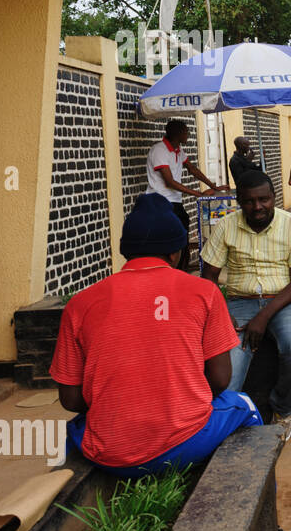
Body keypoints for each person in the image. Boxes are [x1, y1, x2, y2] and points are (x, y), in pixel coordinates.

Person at [50, 193, 261, 477]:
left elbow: (71, 400)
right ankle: (260, 512)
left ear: (126, 252)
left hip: (109, 454)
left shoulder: (79, 304)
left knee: (77, 428)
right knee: (245, 406)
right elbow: (220, 380)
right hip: (184, 443)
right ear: (176, 252)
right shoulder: (203, 293)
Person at [199, 170, 291, 438]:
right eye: (250, 201)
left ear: (273, 197)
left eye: (264, 199)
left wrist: (263, 317)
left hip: (285, 301)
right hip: (240, 302)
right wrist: (221, 315)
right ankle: (228, 425)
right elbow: (208, 278)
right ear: (239, 200)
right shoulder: (226, 226)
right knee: (227, 374)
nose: (258, 206)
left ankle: (283, 411)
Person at [146, 119, 228, 272]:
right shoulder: (159, 150)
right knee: (171, 239)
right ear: (177, 133)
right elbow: (169, 182)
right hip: (160, 201)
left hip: (174, 201)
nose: (188, 134)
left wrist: (213, 186)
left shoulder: (178, 149)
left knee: (182, 235)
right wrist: (198, 194)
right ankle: (171, 271)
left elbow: (192, 169)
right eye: (185, 131)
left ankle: (182, 270)